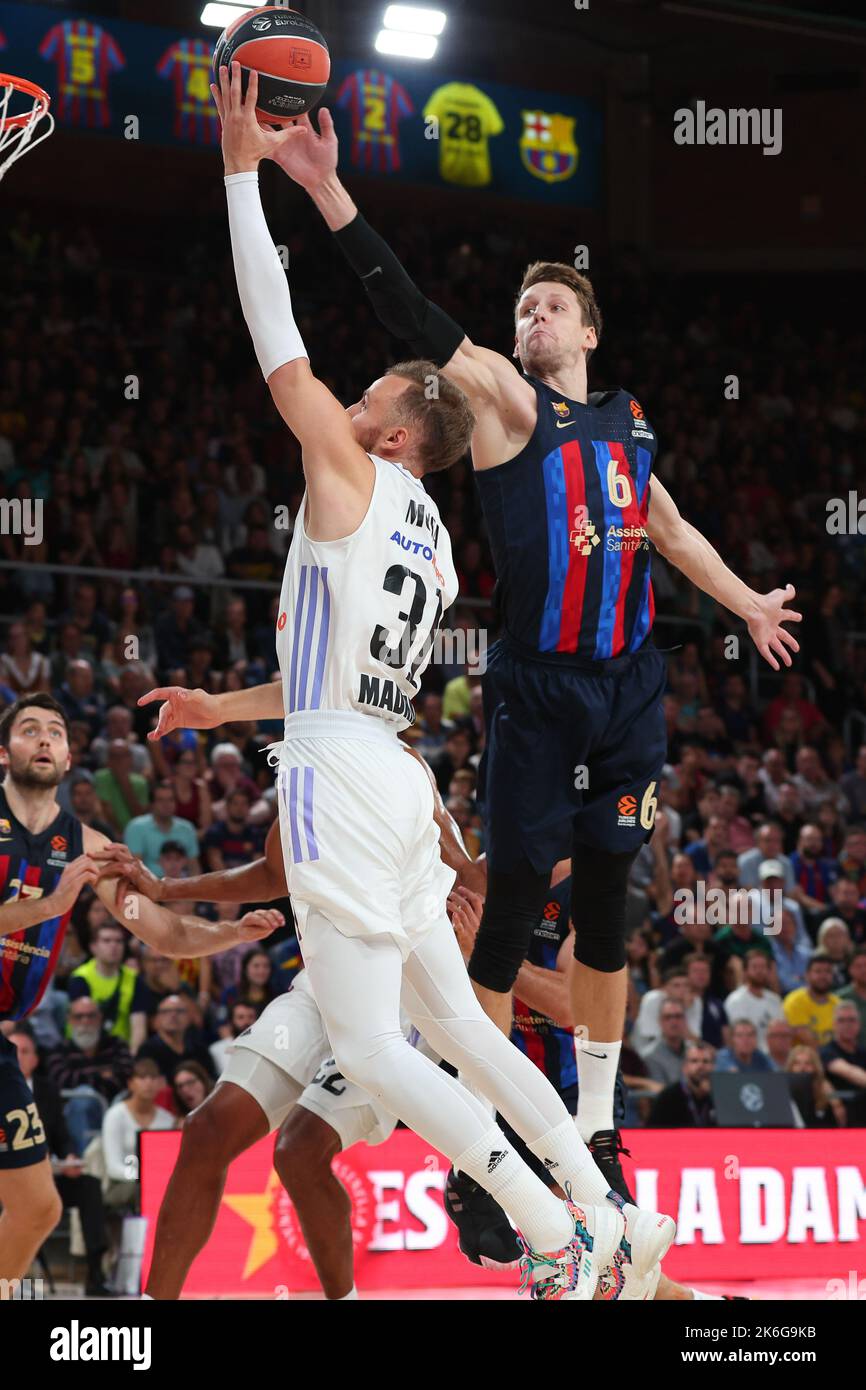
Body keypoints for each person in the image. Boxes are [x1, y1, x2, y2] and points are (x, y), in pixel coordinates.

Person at [134, 66, 677, 1302]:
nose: (349, 389)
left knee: (379, 1047)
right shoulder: (428, 531)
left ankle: (546, 1227)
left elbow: (270, 327)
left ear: (385, 434)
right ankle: (605, 1208)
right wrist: (225, 708)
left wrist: (236, 172)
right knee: (466, 1032)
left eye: (368, 393)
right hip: (387, 764)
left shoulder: (345, 468)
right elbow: (318, 670)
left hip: (338, 773)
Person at [0, 692, 282, 1284]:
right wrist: (54, 904)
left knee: (38, 1206)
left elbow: (164, 933)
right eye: (30, 730)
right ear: (5, 753)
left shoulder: (89, 848)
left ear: (72, 756)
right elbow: (49, 904)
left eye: (55, 731)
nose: (45, 739)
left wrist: (230, 931)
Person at [10, 1025, 112, 1296]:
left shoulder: (47, 1090)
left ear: (35, 1058)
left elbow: (62, 1135)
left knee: (89, 1187)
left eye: (25, 1051)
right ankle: (10, 1278)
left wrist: (69, 1157)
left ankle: (95, 1273)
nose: (18, 1058)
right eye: (13, 1052)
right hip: (9, 1180)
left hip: (48, 1175)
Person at [101, 1058, 176, 1208]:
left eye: (153, 1078)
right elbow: (113, 1167)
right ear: (131, 1084)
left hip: (160, 1183)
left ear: (161, 1083)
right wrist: (144, 1176)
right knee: (143, 1190)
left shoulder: (168, 1119)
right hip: (121, 1184)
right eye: (142, 1078)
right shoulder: (115, 1115)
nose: (148, 1083)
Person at [67, 920, 148, 1051]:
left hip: (120, 1052)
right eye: (107, 941)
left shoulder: (134, 979)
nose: (113, 946)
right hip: (84, 1048)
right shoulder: (80, 978)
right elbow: (82, 1022)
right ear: (93, 947)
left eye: (118, 941)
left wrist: (131, 1060)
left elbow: (139, 1028)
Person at [123, 780, 200, 875]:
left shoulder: (187, 828)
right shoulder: (135, 827)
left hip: (182, 885)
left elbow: (194, 867)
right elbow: (134, 869)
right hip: (148, 886)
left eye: (170, 800)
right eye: (160, 800)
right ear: (152, 804)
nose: (166, 804)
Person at [136, 995, 215, 1082]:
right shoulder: (147, 1051)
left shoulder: (200, 1049)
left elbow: (210, 1081)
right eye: (166, 1011)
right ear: (157, 1019)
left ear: (189, 1018)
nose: (173, 1015)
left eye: (179, 1011)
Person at [723, 950, 785, 1050]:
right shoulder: (736, 1001)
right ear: (745, 971)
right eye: (754, 967)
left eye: (763, 967)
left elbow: (782, 1032)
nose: (759, 971)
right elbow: (738, 1038)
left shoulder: (775, 1000)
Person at [646, 1042, 717, 1128]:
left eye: (705, 1061)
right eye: (694, 1061)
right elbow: (651, 1131)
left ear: (714, 1067)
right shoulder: (668, 1097)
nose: (700, 1066)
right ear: (684, 1068)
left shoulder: (720, 1096)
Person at [820, 1001, 866, 1124]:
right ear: (834, 1024)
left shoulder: (862, 1051)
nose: (847, 1025)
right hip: (839, 1113)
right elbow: (849, 1072)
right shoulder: (827, 1051)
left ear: (859, 1024)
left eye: (851, 1020)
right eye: (841, 1020)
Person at [783, 953, 841, 1046]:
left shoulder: (838, 1004)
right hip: (803, 1058)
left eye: (828, 971)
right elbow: (808, 1041)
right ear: (807, 975)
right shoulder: (795, 1001)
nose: (823, 976)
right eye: (818, 971)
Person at [838, 946, 866, 1048]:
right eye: (858, 966)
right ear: (850, 969)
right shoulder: (839, 998)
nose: (864, 970)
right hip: (852, 1055)